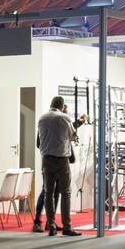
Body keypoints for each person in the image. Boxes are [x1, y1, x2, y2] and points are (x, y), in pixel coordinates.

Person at [35, 96, 81, 236]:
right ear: (62, 106)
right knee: (65, 192)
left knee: (49, 193)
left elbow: (38, 142)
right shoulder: (64, 118)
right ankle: (67, 226)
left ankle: (52, 226)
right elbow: (73, 136)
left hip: (46, 159)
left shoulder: (42, 119)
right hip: (62, 160)